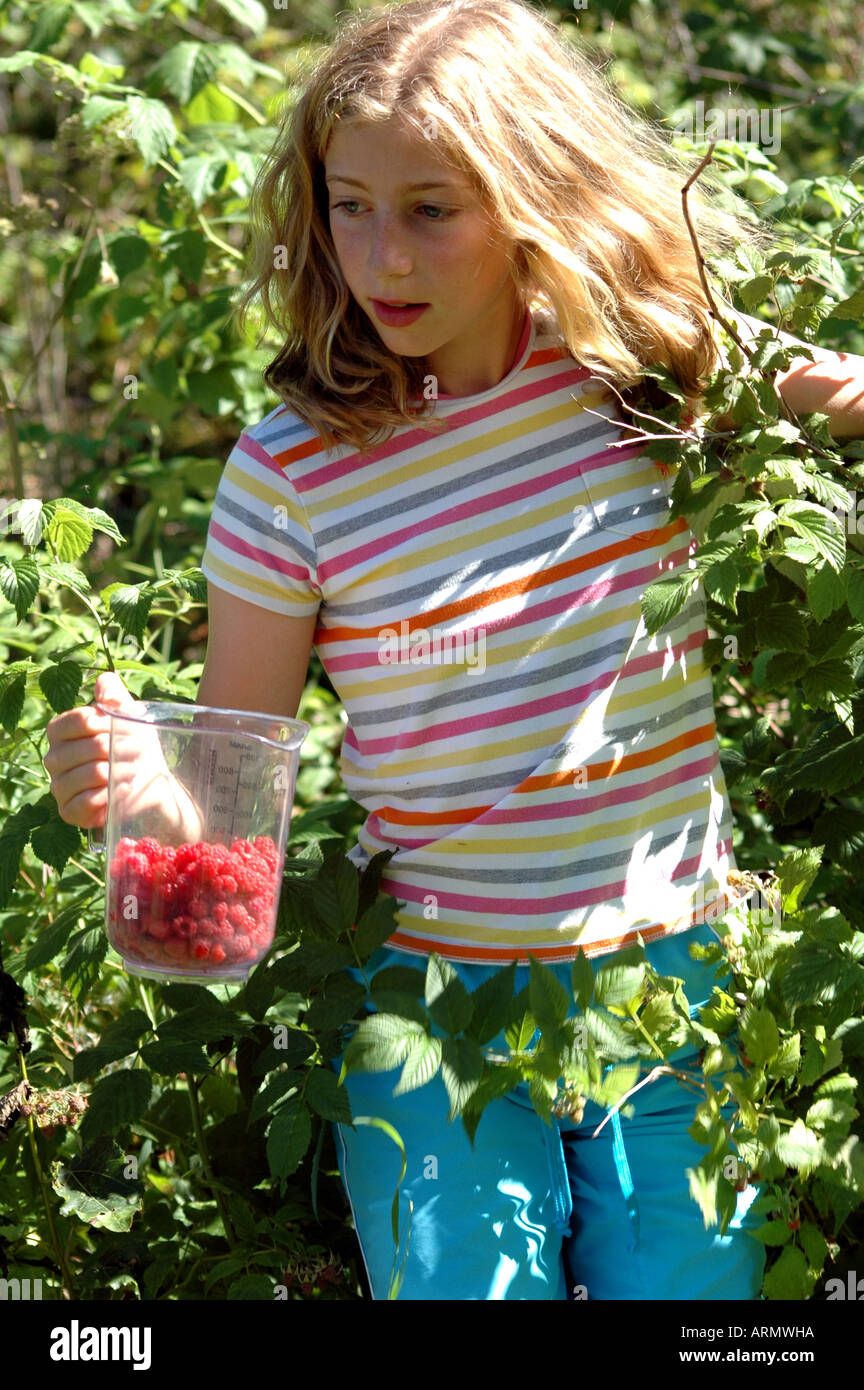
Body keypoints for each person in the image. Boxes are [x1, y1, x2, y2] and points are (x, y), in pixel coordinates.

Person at [45, 0, 864, 1302]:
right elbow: (223, 803)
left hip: (673, 982)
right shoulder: (293, 471)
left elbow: (840, 393)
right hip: (431, 1001)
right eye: (350, 203)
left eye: (433, 208)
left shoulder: (644, 371)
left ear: (537, 189)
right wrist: (139, 789)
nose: (382, 255)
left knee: (698, 1301)